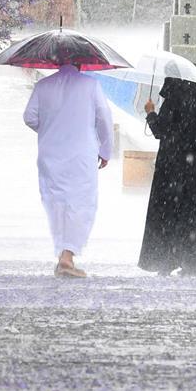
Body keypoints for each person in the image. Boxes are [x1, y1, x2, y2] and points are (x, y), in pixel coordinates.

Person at [23, 64, 114, 278]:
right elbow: (104, 119)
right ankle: (67, 255)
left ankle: (62, 255)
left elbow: (29, 117)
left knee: (56, 202)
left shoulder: (43, 85)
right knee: (80, 202)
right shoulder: (91, 86)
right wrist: (105, 150)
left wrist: (50, 129)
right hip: (81, 154)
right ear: (81, 62)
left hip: (50, 154)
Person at [138, 77, 196, 277]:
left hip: (171, 172)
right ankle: (192, 262)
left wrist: (150, 113)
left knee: (168, 215)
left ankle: (167, 260)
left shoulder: (172, 101)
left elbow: (160, 130)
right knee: (191, 217)